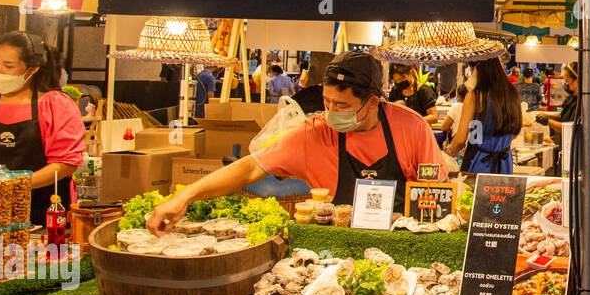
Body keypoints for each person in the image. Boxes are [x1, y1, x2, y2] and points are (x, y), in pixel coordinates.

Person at [147, 51, 454, 234]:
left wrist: (410, 220)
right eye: (327, 102)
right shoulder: (314, 132)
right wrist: (185, 196)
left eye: (343, 106)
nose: (332, 112)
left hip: (402, 244)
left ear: (372, 102)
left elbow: (436, 194)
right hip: (335, 246)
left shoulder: (411, 128)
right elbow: (249, 169)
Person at [0, 32, 85, 227]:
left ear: (32, 69)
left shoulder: (55, 105)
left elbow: (66, 163)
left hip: (47, 210)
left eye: (8, 66)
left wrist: (15, 185)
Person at [446, 56, 523, 174]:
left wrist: (448, 153)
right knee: (502, 192)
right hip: (505, 165)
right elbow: (515, 132)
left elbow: (461, 139)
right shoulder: (512, 94)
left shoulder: (474, 96)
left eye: (471, 70)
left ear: (477, 70)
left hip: (478, 163)